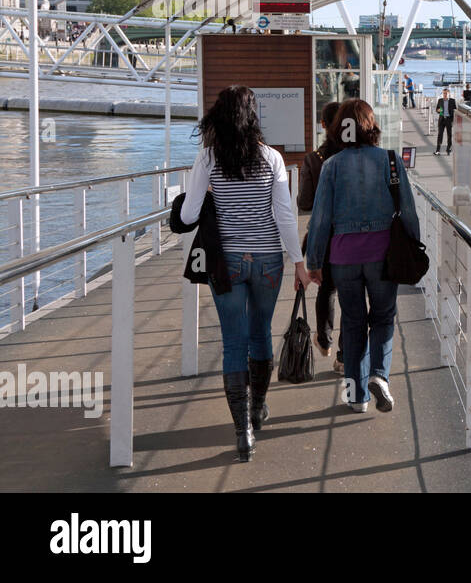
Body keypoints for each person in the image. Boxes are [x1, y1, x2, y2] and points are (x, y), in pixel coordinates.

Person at [179, 86, 309, 462]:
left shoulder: (208, 158)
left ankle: (242, 432)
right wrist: (298, 262)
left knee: (233, 343)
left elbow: (188, 215)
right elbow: (284, 216)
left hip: (228, 261)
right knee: (260, 335)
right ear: (254, 117)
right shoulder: (271, 158)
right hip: (269, 260)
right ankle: (259, 407)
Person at [305, 99, 420, 414]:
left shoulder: (331, 166)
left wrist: (313, 263)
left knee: (353, 323)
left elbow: (320, 220)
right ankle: (379, 376)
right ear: (371, 126)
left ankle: (356, 398)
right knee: (383, 317)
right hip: (383, 255)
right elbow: (408, 212)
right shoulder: (391, 161)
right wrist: (415, 251)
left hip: (343, 258)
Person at [298, 100, 344, 374]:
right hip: (353, 237)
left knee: (326, 288)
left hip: (323, 236)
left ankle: (324, 340)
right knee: (351, 297)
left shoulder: (315, 158)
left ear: (324, 125)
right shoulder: (355, 156)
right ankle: (343, 358)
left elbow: (304, 202)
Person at [434, 87, 456, 155]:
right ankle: (438, 150)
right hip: (441, 120)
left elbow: (455, 110)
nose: (445, 94)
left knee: (449, 135)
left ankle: (448, 149)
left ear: (449, 93)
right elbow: (437, 109)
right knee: (440, 135)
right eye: (444, 93)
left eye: (446, 93)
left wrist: (453, 120)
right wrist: (438, 110)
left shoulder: (452, 101)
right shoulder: (440, 100)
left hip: (449, 120)